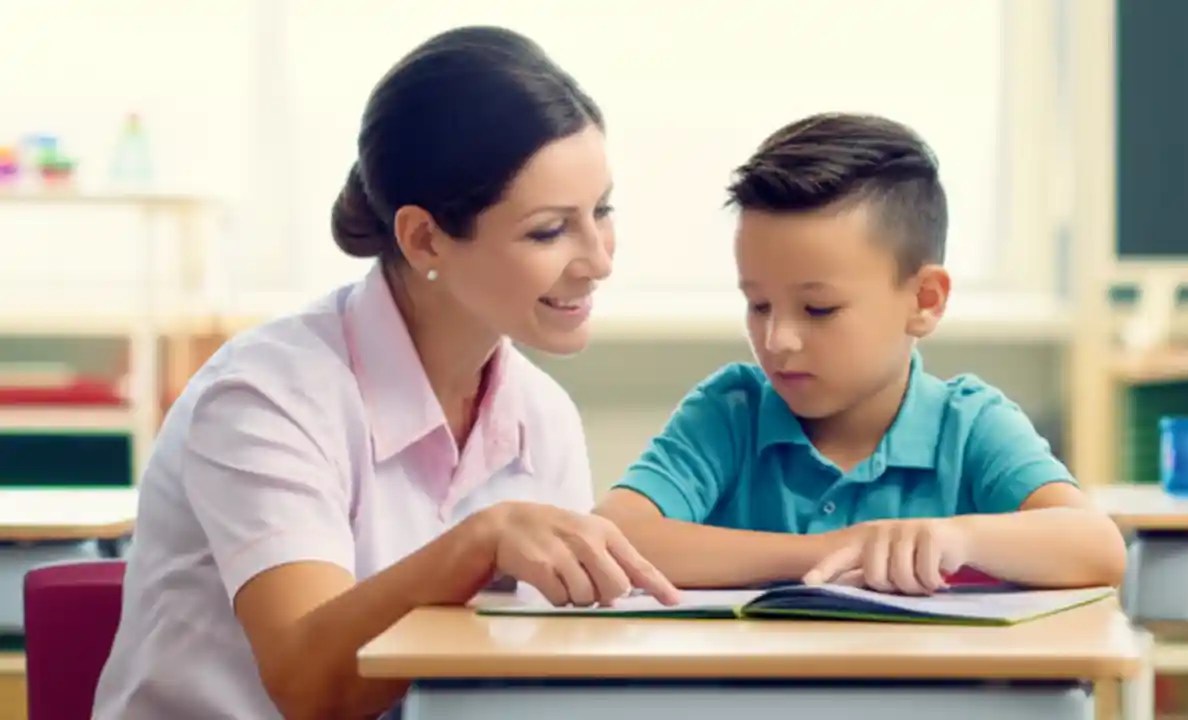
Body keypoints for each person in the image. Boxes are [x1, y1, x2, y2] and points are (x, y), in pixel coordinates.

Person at [93, 26, 678, 720]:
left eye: (601, 212)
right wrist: (481, 541)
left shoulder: (541, 417)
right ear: (424, 237)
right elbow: (312, 685)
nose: (599, 259)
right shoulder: (266, 398)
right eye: (550, 230)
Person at [596, 112, 1127, 595]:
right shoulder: (730, 412)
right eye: (758, 304)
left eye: (819, 309)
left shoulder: (968, 426)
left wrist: (958, 539)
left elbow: (1096, 546)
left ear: (924, 300)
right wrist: (834, 549)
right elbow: (616, 533)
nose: (777, 340)